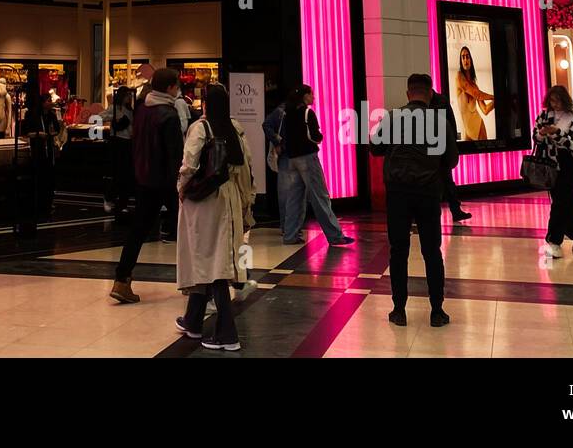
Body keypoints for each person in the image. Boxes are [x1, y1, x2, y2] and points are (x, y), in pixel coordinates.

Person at [370, 73, 459, 328]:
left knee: (398, 251)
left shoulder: (393, 117)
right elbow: (452, 160)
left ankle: (399, 310)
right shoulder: (439, 121)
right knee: (432, 251)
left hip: (398, 193)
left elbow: (375, 148)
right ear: (429, 94)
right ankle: (437, 311)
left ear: (408, 93)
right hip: (428, 193)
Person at [174, 83, 255, 351]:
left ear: (205, 103)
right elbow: (246, 169)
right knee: (215, 258)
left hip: (203, 201)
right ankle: (193, 320)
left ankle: (227, 334)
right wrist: (246, 205)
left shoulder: (201, 128)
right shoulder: (235, 128)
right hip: (229, 198)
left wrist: (181, 188)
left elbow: (189, 164)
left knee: (210, 261)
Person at [109, 68, 184, 304]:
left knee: (138, 231)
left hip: (144, 178)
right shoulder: (169, 115)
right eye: (177, 85)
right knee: (188, 230)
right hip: (166, 182)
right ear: (170, 87)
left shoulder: (142, 110)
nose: (178, 89)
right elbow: (175, 155)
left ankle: (122, 280)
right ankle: (198, 283)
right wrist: (181, 183)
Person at [263, 85, 354, 246]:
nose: (314, 97)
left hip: (291, 159)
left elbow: (279, 132)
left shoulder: (286, 112)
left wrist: (279, 142)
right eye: (311, 94)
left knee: (294, 199)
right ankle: (335, 235)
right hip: (307, 158)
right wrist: (319, 137)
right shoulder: (307, 113)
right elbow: (315, 136)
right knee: (320, 197)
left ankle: (290, 235)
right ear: (305, 96)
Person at [534, 84, 573, 259]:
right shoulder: (544, 116)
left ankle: (554, 241)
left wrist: (558, 134)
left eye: (558, 101)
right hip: (551, 165)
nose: (555, 104)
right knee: (565, 203)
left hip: (568, 164)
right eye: (552, 101)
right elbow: (536, 137)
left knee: (560, 203)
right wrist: (542, 134)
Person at [430, 87, 472, 222]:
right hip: (440, 147)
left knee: (445, 181)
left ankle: (453, 210)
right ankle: (455, 211)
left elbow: (450, 124)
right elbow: (451, 124)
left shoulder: (437, 102)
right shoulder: (441, 101)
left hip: (435, 147)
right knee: (447, 181)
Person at [22, 80, 62, 219]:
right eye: (48, 100)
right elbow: (27, 132)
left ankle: (48, 202)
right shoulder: (33, 116)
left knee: (49, 177)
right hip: (38, 150)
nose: (50, 102)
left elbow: (57, 129)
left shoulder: (51, 116)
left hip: (48, 149)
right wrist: (39, 134)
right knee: (39, 176)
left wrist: (51, 134)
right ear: (42, 103)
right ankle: (38, 203)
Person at [102, 86, 135, 215]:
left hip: (128, 141)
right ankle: (110, 198)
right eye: (127, 95)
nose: (129, 98)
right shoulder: (115, 108)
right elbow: (101, 116)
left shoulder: (130, 110)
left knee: (126, 174)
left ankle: (122, 202)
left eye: (130, 96)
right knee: (118, 172)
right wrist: (114, 117)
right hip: (118, 141)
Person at [454, 46, 495, 141]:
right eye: (463, 57)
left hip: (479, 126)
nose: (465, 60)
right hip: (468, 130)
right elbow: (478, 95)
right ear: (461, 61)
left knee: (485, 150)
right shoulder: (459, 77)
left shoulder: (474, 86)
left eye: (467, 56)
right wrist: (493, 96)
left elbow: (485, 110)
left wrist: (497, 100)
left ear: (471, 60)